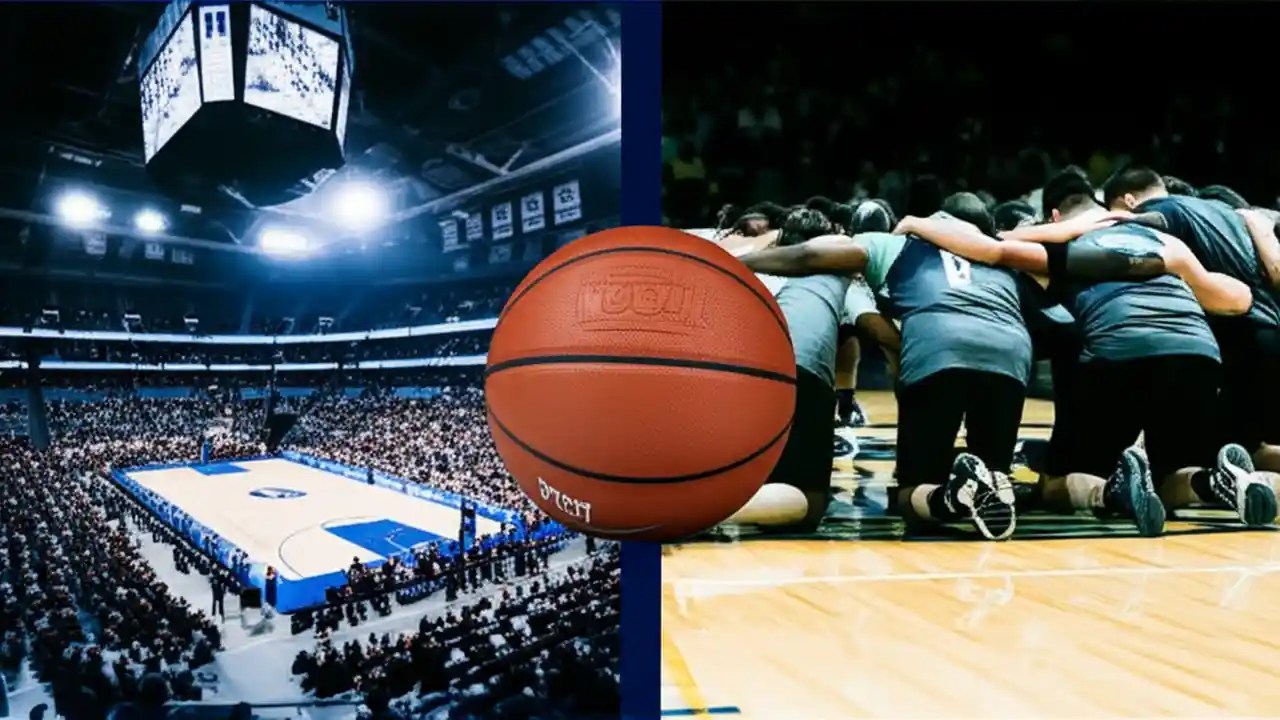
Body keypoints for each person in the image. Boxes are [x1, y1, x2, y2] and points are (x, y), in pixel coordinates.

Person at [897, 170, 1268, 534]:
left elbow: (992, 248)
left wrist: (915, 223)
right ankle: (1214, 481)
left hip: (1119, 352)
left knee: (1056, 485)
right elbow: (1237, 299)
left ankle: (1109, 491)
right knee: (1170, 475)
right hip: (1196, 351)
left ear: (1057, 221)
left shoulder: (1064, 251)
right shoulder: (1162, 241)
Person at [1104, 168, 1280, 479]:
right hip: (1270, 332)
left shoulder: (1163, 211)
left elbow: (1125, 232)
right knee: (1252, 449)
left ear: (1129, 201)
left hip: (1236, 336)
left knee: (1199, 461)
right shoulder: (1227, 213)